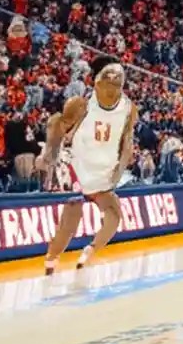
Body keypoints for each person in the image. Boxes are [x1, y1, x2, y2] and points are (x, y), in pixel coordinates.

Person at [38, 55, 137, 274]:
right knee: (109, 213)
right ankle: (85, 253)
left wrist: (50, 156)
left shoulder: (82, 104)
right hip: (88, 168)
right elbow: (126, 146)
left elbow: (58, 128)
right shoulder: (124, 109)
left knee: (73, 221)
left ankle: (53, 260)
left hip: (83, 168)